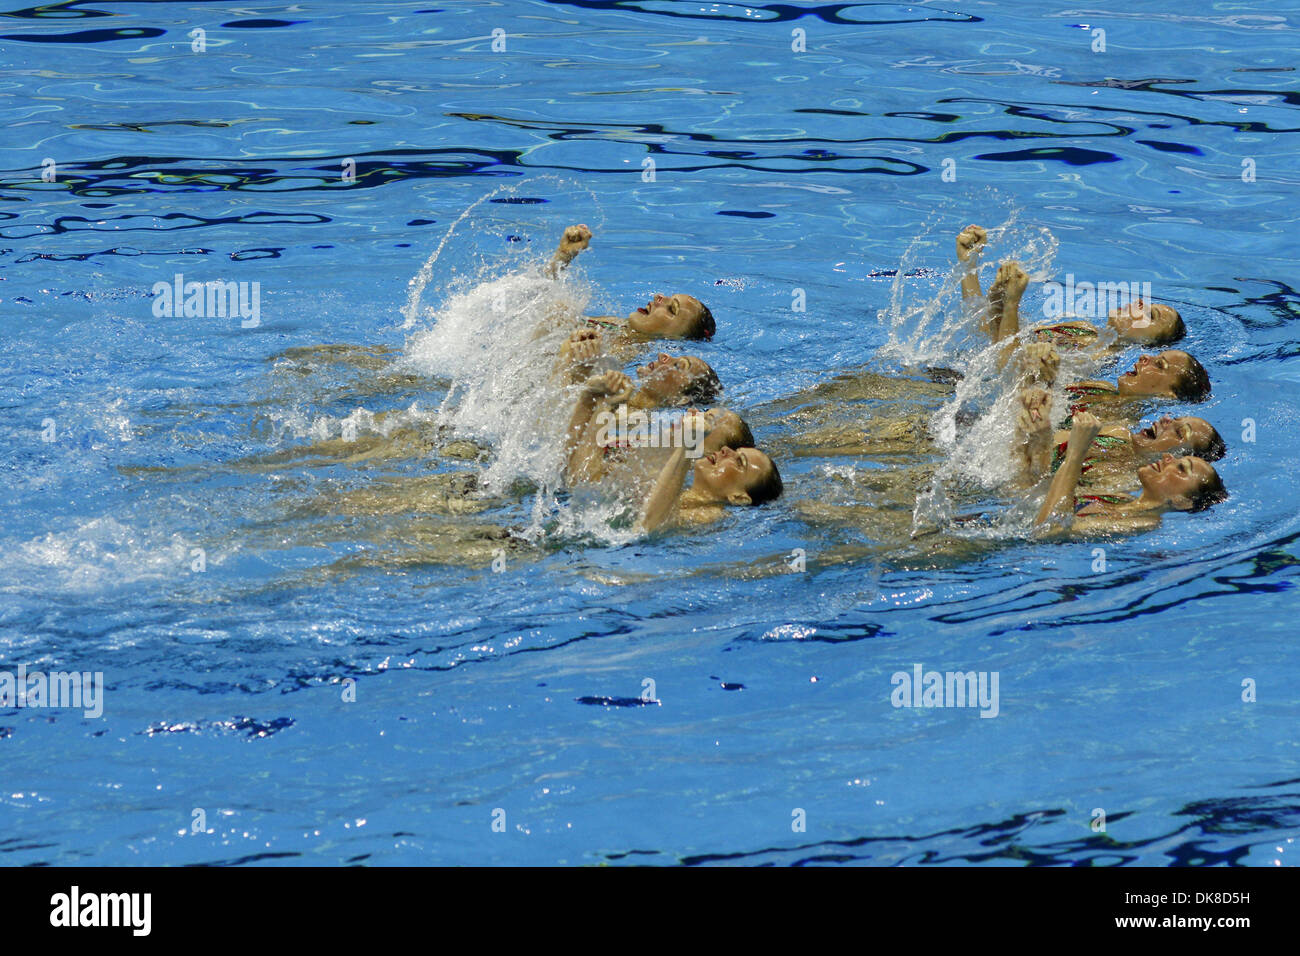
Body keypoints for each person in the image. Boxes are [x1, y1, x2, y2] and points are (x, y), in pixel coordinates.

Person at [561, 372, 781, 531]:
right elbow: (581, 482)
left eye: (739, 461)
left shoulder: (710, 515)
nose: (726, 451)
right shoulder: (660, 475)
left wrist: (686, 447)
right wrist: (594, 401)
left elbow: (647, 528)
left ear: (739, 497)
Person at [956, 225, 1185, 347]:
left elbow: (1007, 367)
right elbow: (988, 335)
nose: (1140, 303)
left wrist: (1010, 305)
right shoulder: (1083, 329)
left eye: (1151, 315)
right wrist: (969, 265)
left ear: (1148, 343)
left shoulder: (1096, 359)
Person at [1033, 412, 1226, 532]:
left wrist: (1076, 452)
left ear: (1182, 501)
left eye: (1181, 468)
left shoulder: (1143, 523)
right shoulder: (1117, 497)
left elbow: (1048, 529)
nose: (1168, 458)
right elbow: (1035, 493)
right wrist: (1039, 432)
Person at [546, 224, 716, 340]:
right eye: (669, 298)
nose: (659, 296)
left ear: (675, 337)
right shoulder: (619, 326)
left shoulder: (624, 350)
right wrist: (564, 255)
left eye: (672, 309)